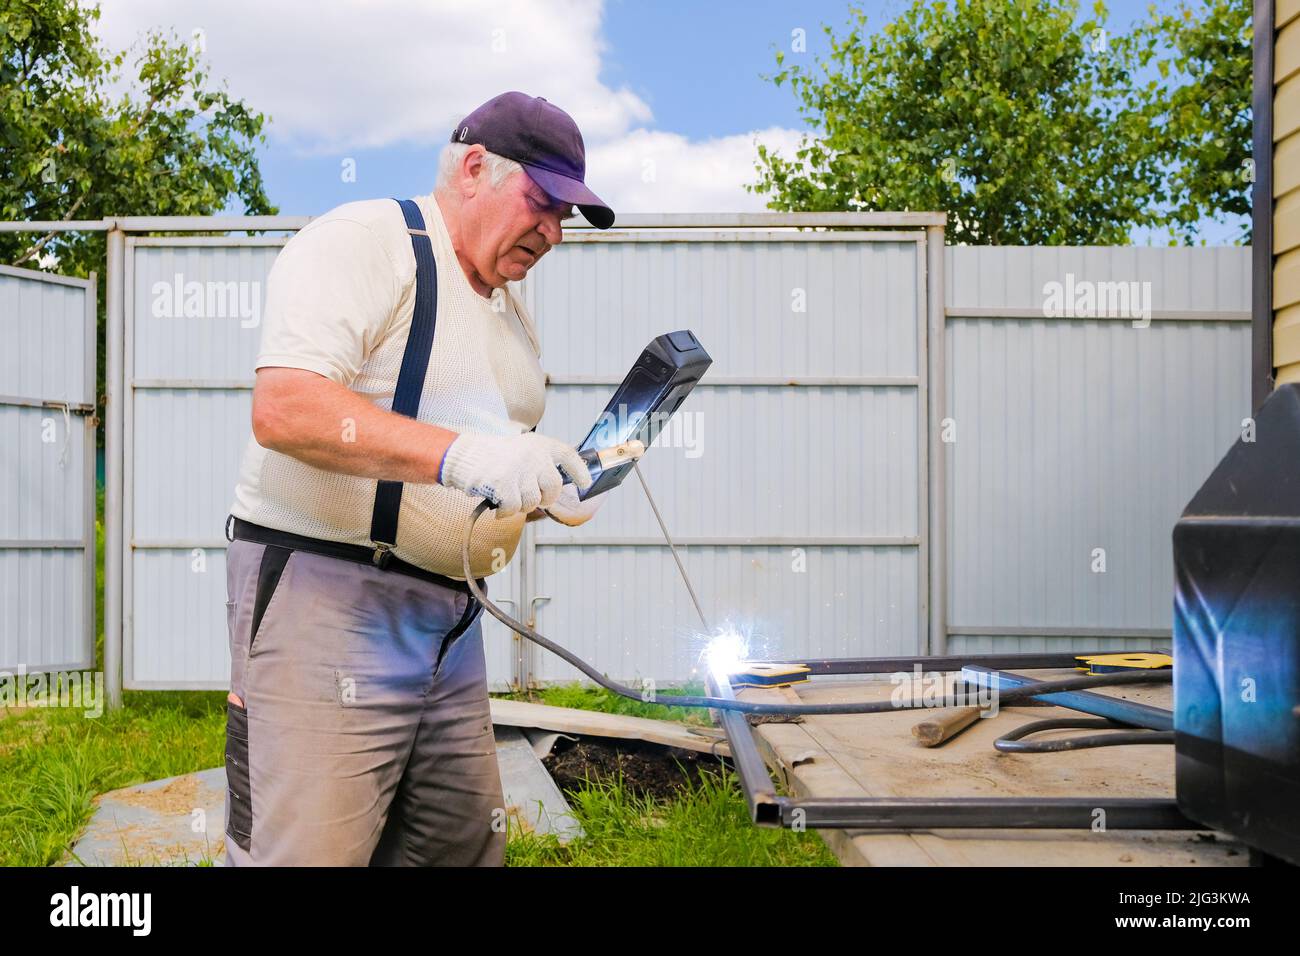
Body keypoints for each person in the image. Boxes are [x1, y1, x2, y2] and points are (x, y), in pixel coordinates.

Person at [221, 91, 614, 865]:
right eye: (543, 204)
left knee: (457, 846)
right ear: (475, 168)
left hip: (450, 621)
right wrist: (470, 459)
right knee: (311, 851)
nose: (553, 233)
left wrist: (530, 484)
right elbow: (287, 407)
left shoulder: (504, 306)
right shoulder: (370, 241)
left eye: (566, 218)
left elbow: (465, 452)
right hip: (331, 599)